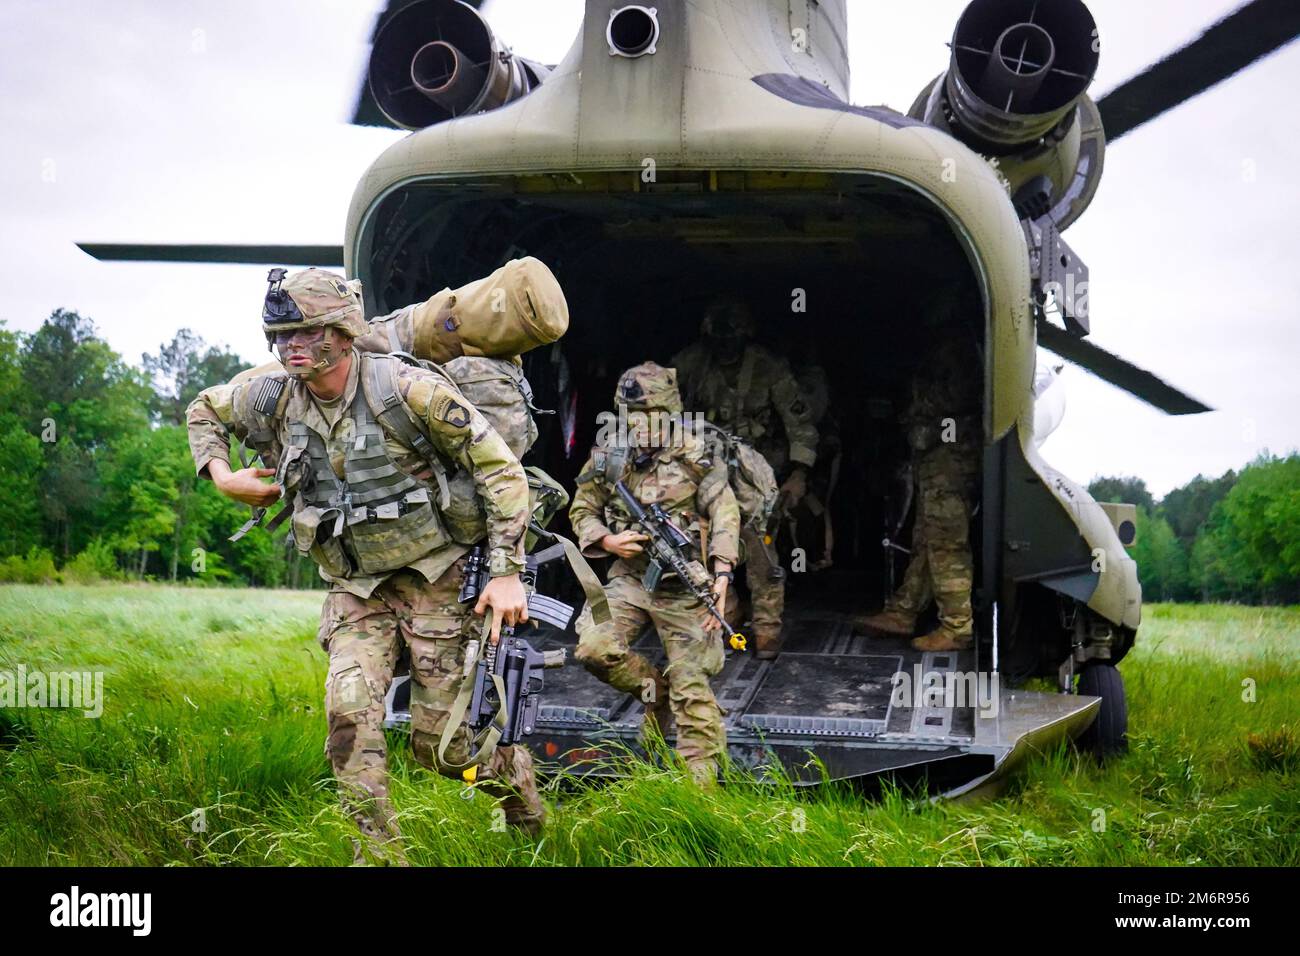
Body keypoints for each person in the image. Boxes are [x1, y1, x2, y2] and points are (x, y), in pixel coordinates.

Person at [186, 267, 544, 862]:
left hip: (438, 577)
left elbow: (501, 471)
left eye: (306, 334)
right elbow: (204, 408)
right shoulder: (272, 394)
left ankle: (524, 808)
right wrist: (223, 477)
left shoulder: (409, 391)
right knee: (347, 718)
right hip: (355, 587)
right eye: (281, 336)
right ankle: (378, 857)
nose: (291, 347)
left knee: (446, 749)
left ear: (344, 333)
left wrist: (506, 571)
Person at [569, 362, 740, 786]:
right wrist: (607, 541)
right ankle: (655, 692)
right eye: (632, 416)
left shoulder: (696, 456)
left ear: (669, 412)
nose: (641, 426)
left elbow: (725, 514)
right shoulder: (609, 457)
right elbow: (580, 509)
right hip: (631, 579)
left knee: (692, 684)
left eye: (650, 415)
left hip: (684, 588)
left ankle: (701, 798)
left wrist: (721, 575)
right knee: (594, 647)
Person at [671, 296, 818, 658]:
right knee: (701, 546)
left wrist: (798, 475)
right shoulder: (689, 364)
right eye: (718, 338)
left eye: (731, 337)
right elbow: (661, 408)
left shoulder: (769, 369)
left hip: (754, 473)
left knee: (760, 551)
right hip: (703, 471)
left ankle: (767, 628)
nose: (725, 345)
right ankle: (727, 617)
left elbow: (800, 424)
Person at [859, 333, 981, 652]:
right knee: (926, 538)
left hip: (952, 457)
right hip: (935, 456)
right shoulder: (941, 349)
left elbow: (963, 393)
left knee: (946, 541)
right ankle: (904, 611)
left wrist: (918, 407)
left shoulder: (959, 350)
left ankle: (957, 626)